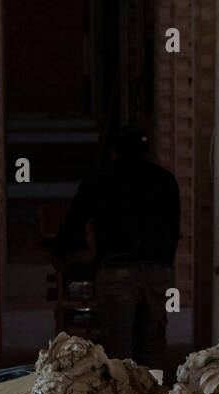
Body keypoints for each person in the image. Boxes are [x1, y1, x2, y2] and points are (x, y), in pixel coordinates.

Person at [53, 127, 181, 377]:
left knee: (119, 343)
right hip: (158, 270)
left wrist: (59, 252)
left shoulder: (100, 178)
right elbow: (174, 228)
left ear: (113, 152)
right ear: (146, 152)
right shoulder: (165, 180)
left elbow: (75, 222)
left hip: (116, 271)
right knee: (153, 340)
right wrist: (164, 263)